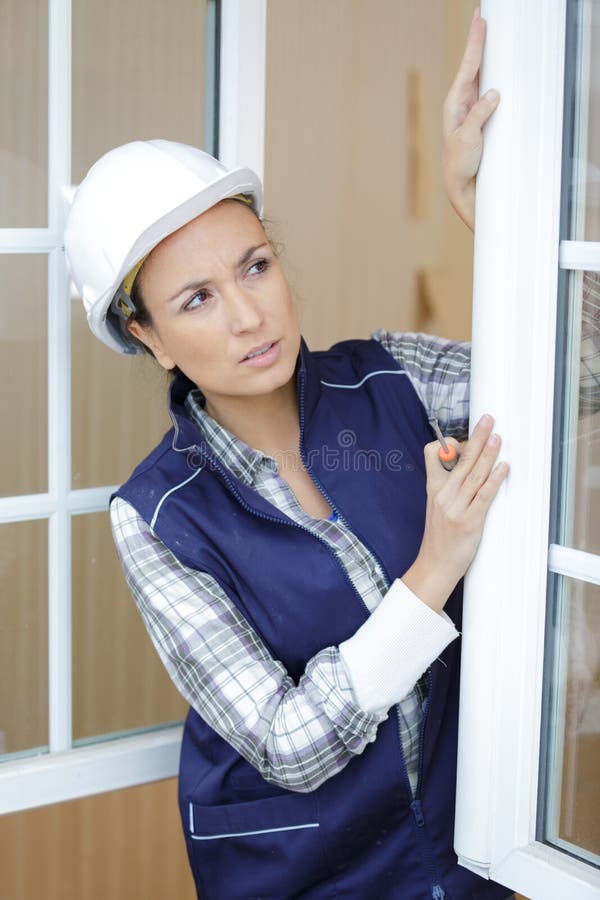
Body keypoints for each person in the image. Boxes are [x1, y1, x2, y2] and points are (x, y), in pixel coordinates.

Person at [65, 12, 515, 900]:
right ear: (147, 337)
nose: (248, 315)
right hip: (302, 878)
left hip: (466, 863)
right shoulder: (158, 517)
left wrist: (491, 212)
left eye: (256, 266)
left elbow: (582, 375)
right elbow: (287, 742)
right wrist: (434, 569)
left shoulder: (394, 379)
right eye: (196, 298)